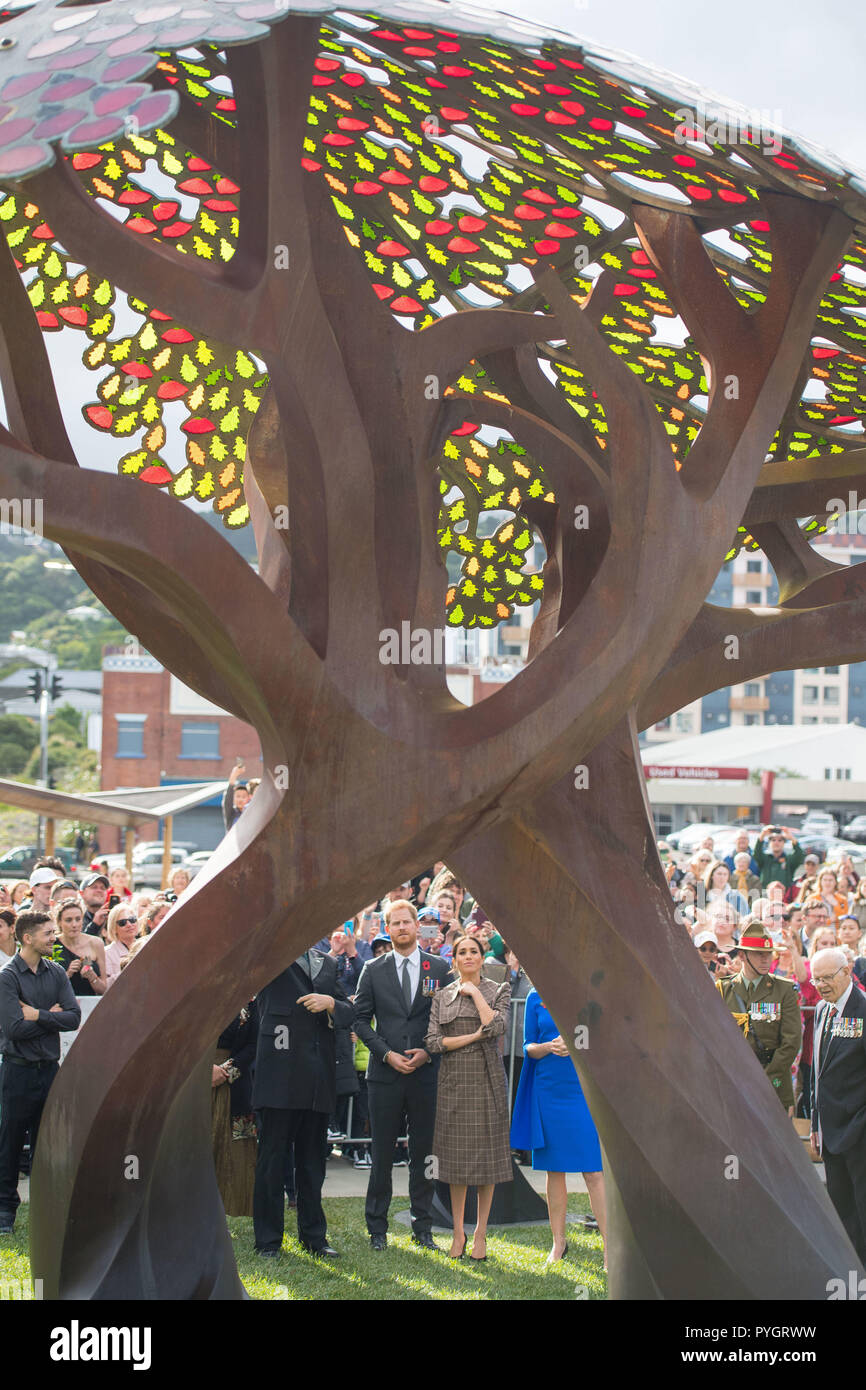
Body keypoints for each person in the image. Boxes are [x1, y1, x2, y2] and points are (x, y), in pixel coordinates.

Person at [353, 897, 452, 1252]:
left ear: (417, 925)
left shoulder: (440, 969)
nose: (401, 928)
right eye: (394, 923)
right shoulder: (373, 969)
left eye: (406, 922)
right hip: (385, 1076)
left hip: (426, 1075)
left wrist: (429, 1051)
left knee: (424, 1154)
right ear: (387, 929)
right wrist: (386, 1054)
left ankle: (423, 1226)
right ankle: (377, 1228)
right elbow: (360, 1020)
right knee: (381, 1153)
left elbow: (449, 1021)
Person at [251, 948, 352, 1258]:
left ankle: (314, 1238)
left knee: (312, 1165)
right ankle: (268, 1241)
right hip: (278, 1078)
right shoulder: (268, 956)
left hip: (317, 1080)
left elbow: (350, 1012)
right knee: (272, 1162)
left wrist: (331, 1003)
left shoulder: (329, 962)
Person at [424, 933, 511, 1261]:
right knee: (456, 1163)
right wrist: (473, 1036)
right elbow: (433, 1042)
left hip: (488, 1083)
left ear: (481, 955)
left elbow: (497, 1027)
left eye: (474, 951)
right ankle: (458, 1231)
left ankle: (480, 1234)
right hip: (454, 1084)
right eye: (463, 952)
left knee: (487, 1163)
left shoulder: (498, 989)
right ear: (455, 959)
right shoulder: (441, 995)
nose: (469, 957)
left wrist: (475, 993)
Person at [510, 987, 607, 1267]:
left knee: (594, 1171)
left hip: (582, 1088)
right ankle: (558, 1243)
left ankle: (611, 1248)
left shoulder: (586, 991)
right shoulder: (533, 996)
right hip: (548, 1088)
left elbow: (603, 1039)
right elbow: (528, 1045)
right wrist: (548, 1047)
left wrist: (576, 1043)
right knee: (555, 1170)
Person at [0, 911, 81, 1233]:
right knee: (9, 1143)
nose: (54, 937)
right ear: (28, 938)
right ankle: (5, 1211)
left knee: (47, 1146)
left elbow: (73, 1018)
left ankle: (47, 1210)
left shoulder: (57, 972)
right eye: (48, 933)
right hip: (17, 1072)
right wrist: (50, 1016)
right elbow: (14, 1028)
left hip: (49, 1071)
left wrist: (37, 1015)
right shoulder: (8, 977)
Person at [809, 946, 866, 1262]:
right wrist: (815, 1121)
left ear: (848, 972)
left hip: (859, 1131)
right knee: (841, 1210)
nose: (821, 985)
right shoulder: (821, 1010)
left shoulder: (863, 1009)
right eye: (816, 979)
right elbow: (818, 1071)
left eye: (827, 978)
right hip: (830, 1133)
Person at [716, 922, 802, 1111]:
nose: (765, 959)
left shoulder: (784, 989)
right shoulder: (723, 989)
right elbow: (715, 1037)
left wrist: (766, 1079)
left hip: (774, 1082)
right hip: (735, 1081)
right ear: (741, 955)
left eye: (768, 954)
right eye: (758, 954)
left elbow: (792, 1041)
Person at [212, 1002, 258, 1217]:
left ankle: (222, 1212)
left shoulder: (253, 996)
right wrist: (204, 1069)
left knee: (234, 1150)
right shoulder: (199, 988)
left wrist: (227, 1070)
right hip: (192, 1079)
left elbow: (255, 1042)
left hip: (236, 1083)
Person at [53, 897, 107, 997]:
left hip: (89, 1003)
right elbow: (46, 990)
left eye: (78, 919)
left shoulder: (96, 943)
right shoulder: (52, 944)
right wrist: (67, 974)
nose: (74, 924)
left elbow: (104, 990)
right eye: (68, 920)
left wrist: (92, 977)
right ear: (59, 922)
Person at [753, 824, 804, 890]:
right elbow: (757, 852)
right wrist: (763, 834)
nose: (776, 843)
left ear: (784, 843)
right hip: (766, 894)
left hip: (784, 896)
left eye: (780, 840)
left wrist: (791, 838)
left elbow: (799, 855)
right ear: (769, 843)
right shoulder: (765, 858)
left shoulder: (788, 860)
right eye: (773, 840)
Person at [104, 904, 140, 987]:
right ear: (114, 928)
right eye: (122, 922)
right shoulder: (107, 953)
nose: (129, 925)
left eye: (132, 920)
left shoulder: (145, 945)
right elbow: (107, 985)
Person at [80, 873, 110, 937]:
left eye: (103, 888)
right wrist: (95, 925)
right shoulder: (76, 917)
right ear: (82, 893)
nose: (99, 890)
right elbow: (79, 944)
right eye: (94, 887)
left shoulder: (111, 917)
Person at [223, 762, 251, 831]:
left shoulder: (251, 813)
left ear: (249, 798)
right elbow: (228, 799)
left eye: (243, 797)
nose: (240, 799)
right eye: (238, 796)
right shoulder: (231, 813)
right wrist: (234, 774)